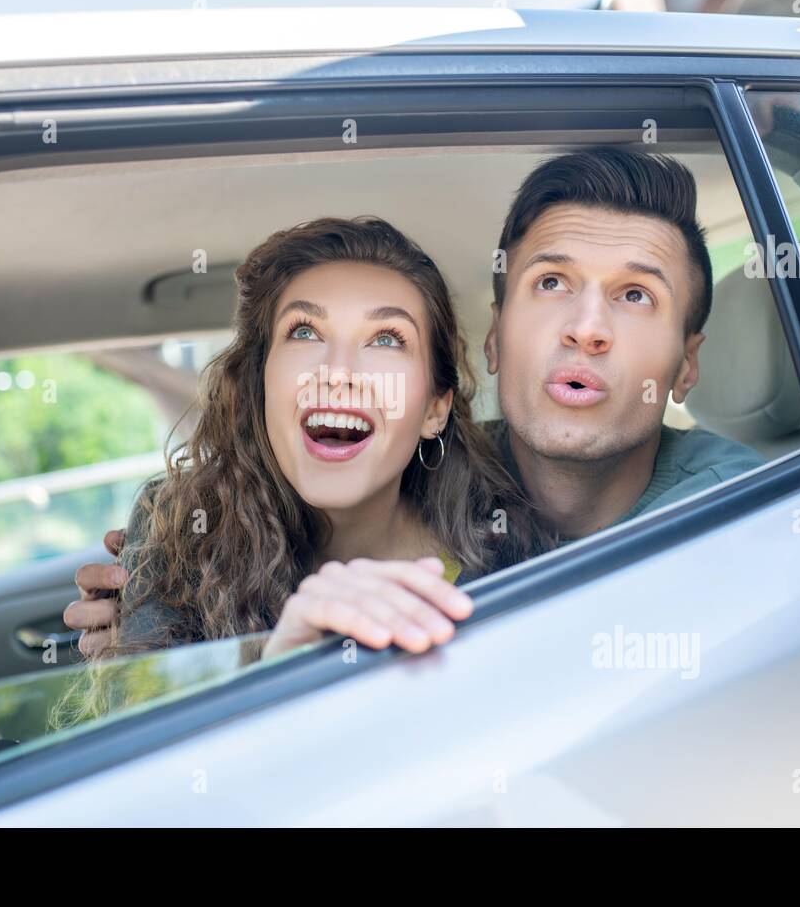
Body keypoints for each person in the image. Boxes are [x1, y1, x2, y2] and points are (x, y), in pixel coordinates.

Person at [68, 147, 764, 657]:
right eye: (551, 283)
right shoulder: (182, 524)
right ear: (494, 342)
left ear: (686, 363)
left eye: (635, 295)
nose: (586, 327)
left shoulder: (746, 517)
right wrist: (149, 660)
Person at [87, 216, 548, 663]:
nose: (338, 372)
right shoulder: (178, 532)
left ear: (435, 409)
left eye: (387, 339)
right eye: (304, 332)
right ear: (261, 384)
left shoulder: (512, 561)